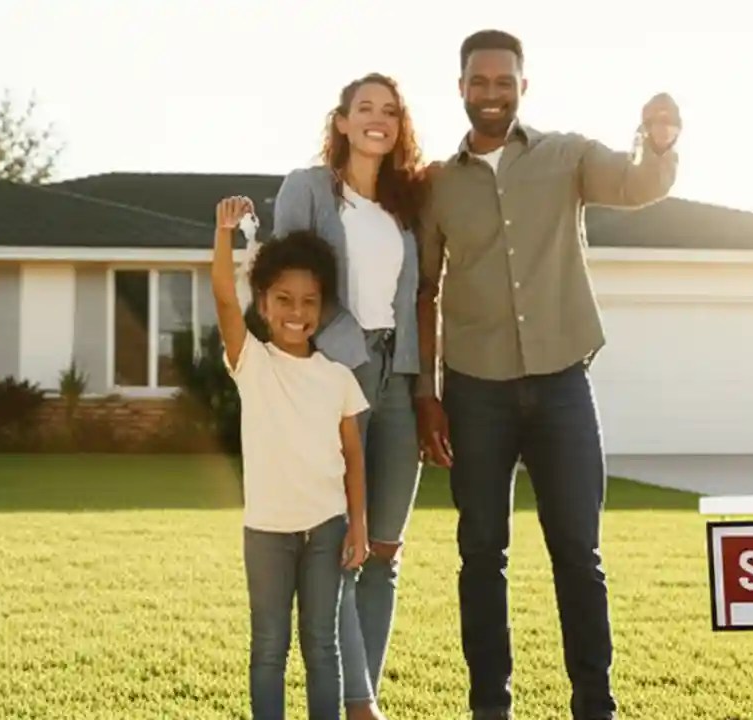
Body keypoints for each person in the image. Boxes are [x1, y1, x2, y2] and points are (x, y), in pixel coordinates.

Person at [414, 30, 682, 720]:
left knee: (578, 554)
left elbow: (637, 183)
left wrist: (657, 141)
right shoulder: (440, 186)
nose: (493, 93)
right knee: (480, 554)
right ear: (462, 88)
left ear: (523, 87)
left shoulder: (566, 156)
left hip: (563, 385)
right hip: (475, 391)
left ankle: (596, 705)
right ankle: (489, 707)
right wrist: (428, 394)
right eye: (480, 81)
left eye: (505, 81)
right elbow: (424, 291)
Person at [271, 72, 427, 720]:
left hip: (399, 376)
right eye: (365, 109)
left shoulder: (404, 205)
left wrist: (420, 384)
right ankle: (360, 707)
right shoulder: (306, 190)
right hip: (336, 371)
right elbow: (281, 283)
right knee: (341, 547)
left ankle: (357, 697)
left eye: (389, 111)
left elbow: (415, 299)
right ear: (341, 121)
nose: (377, 120)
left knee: (384, 548)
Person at [213, 195, 371, 720]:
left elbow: (353, 456)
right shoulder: (252, 363)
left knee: (322, 648)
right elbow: (222, 300)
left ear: (322, 306)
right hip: (266, 532)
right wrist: (223, 234)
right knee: (269, 648)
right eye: (284, 299)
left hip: (327, 528)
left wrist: (359, 526)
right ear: (264, 304)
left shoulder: (338, 378)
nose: (296, 312)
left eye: (308, 301)